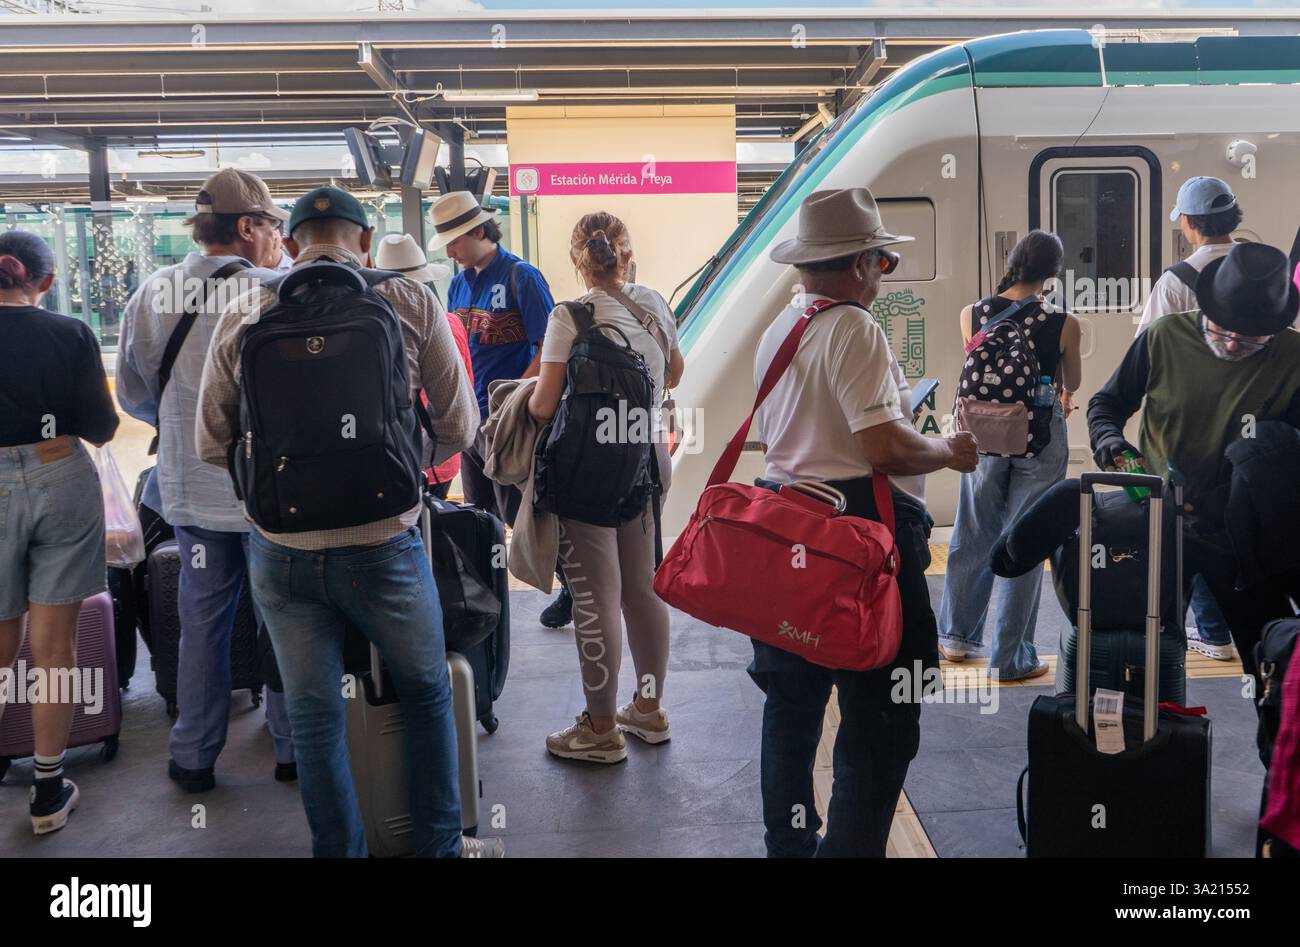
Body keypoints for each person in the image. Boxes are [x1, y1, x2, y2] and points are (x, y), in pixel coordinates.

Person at [196, 186, 500, 858]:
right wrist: (400, 466)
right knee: (425, 692)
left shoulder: (248, 307)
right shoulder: (410, 300)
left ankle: (340, 851)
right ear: (364, 241)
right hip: (385, 539)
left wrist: (269, 491)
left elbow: (209, 441)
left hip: (281, 547)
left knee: (313, 715)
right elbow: (459, 424)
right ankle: (440, 846)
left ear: (294, 242)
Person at [747, 188, 978, 857]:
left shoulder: (781, 327)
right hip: (857, 538)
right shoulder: (854, 328)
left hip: (785, 528)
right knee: (882, 718)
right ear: (858, 265)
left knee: (790, 710)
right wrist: (947, 450)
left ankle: (788, 846)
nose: (884, 274)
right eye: (883, 261)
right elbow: (882, 447)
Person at [117, 167, 297, 792]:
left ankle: (193, 756)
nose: (277, 237)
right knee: (282, 620)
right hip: (266, 497)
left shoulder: (151, 294)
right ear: (247, 227)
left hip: (190, 495)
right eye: (272, 225)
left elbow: (136, 395)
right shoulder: (274, 292)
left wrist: (181, 422)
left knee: (201, 626)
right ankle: (290, 748)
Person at [1089, 241, 1300, 696]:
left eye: (1250, 339)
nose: (1231, 343)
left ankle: (1279, 756)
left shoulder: (1293, 359)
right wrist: (1110, 443)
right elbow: (1106, 404)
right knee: (1150, 665)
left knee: (1273, 669)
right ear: (1208, 307)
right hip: (1159, 524)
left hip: (1246, 542)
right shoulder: (1164, 337)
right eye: (1222, 329)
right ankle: (1154, 749)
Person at [526, 212, 684, 762]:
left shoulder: (570, 315)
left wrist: (516, 398)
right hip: (646, 459)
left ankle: (599, 730)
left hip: (589, 468)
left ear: (578, 260)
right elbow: (675, 372)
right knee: (642, 590)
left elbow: (544, 405)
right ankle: (648, 709)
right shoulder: (656, 304)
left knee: (596, 598)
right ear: (627, 252)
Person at [0, 230, 119, 834]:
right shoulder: (69, 332)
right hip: (59, 475)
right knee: (53, 650)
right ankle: (48, 792)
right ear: (44, 282)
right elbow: (101, 425)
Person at [936, 230, 1081, 679]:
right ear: (1052, 273)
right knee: (1025, 541)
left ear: (1013, 261)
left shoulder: (972, 313)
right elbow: (1071, 382)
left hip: (982, 433)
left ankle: (957, 640)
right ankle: (1010, 658)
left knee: (974, 529)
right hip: (1038, 436)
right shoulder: (1063, 322)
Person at [433, 192, 571, 626]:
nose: (451, 252)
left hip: (508, 417)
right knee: (480, 515)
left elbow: (549, 347)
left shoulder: (521, 277)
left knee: (520, 512)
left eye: (454, 241)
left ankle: (572, 585)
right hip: (470, 417)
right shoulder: (458, 284)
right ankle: (486, 601)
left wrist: (519, 400)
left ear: (479, 231)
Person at [1135, 175, 1243, 660]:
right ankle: (1232, 623)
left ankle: (1209, 630)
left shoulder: (1177, 281)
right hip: (1253, 420)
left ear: (1189, 222)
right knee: (1239, 515)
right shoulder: (1261, 270)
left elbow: (1146, 352)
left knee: (1187, 521)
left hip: (1191, 423)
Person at [374, 232, 467, 500]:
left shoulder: (371, 330)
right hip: (440, 454)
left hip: (395, 455)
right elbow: (463, 393)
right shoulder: (450, 323)